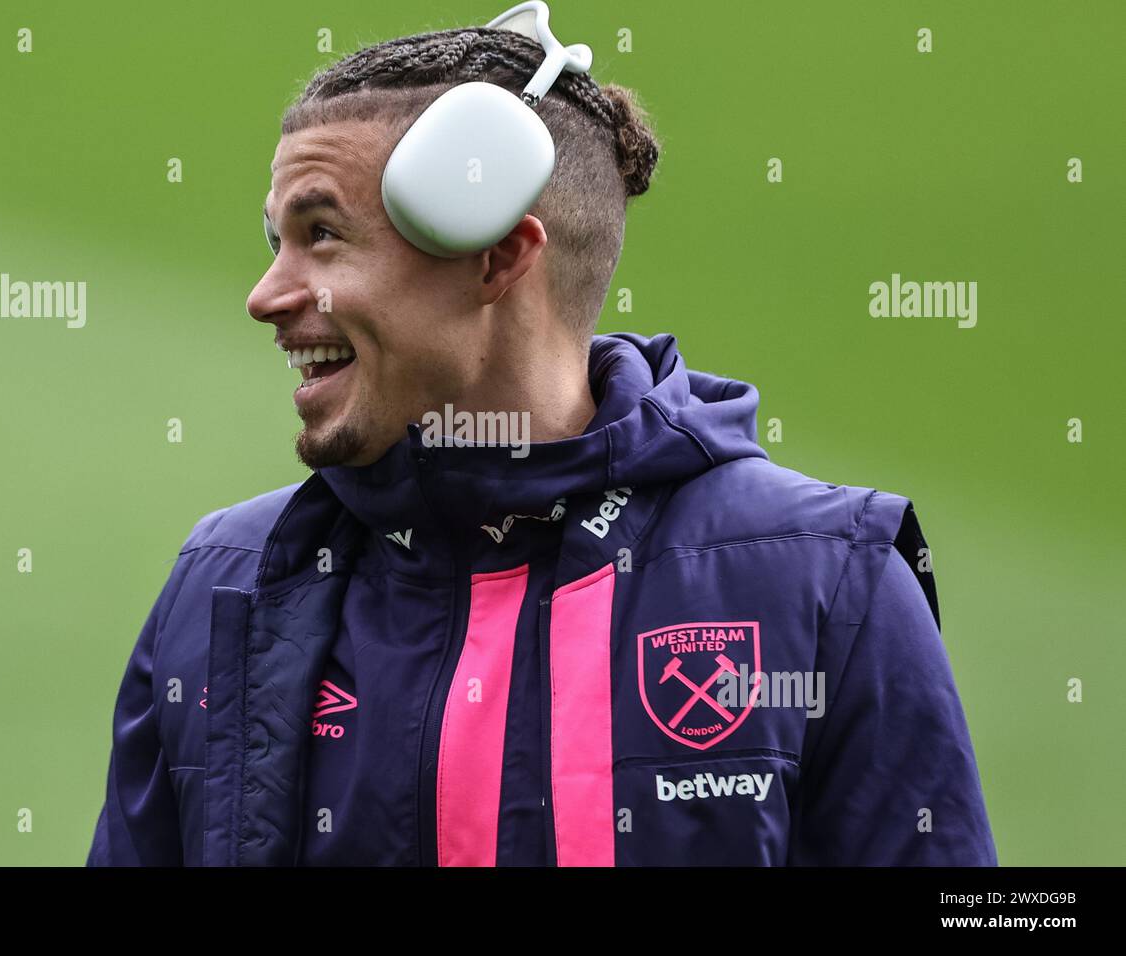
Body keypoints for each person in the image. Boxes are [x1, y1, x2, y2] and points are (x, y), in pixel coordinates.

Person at [86, 14, 997, 866]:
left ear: (497, 258)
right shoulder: (224, 584)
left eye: (322, 236)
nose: (266, 295)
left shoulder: (823, 583)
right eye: (276, 240)